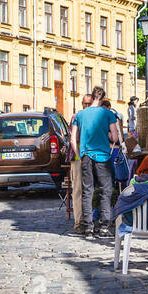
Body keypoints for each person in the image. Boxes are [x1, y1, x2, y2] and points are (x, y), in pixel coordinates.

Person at [71, 86, 120, 237]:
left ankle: (88, 227)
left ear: (92, 98)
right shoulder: (108, 114)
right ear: (103, 99)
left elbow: (73, 139)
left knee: (87, 191)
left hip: (86, 156)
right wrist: (107, 138)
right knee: (106, 190)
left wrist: (79, 154)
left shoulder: (80, 114)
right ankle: (104, 226)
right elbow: (115, 136)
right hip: (103, 156)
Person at [68, 94, 93, 231]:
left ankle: (88, 220)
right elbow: (73, 140)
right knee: (78, 190)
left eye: (90, 104)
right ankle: (79, 222)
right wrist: (80, 156)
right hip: (79, 159)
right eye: (85, 104)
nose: (87, 107)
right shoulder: (76, 117)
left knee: (88, 190)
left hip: (91, 158)